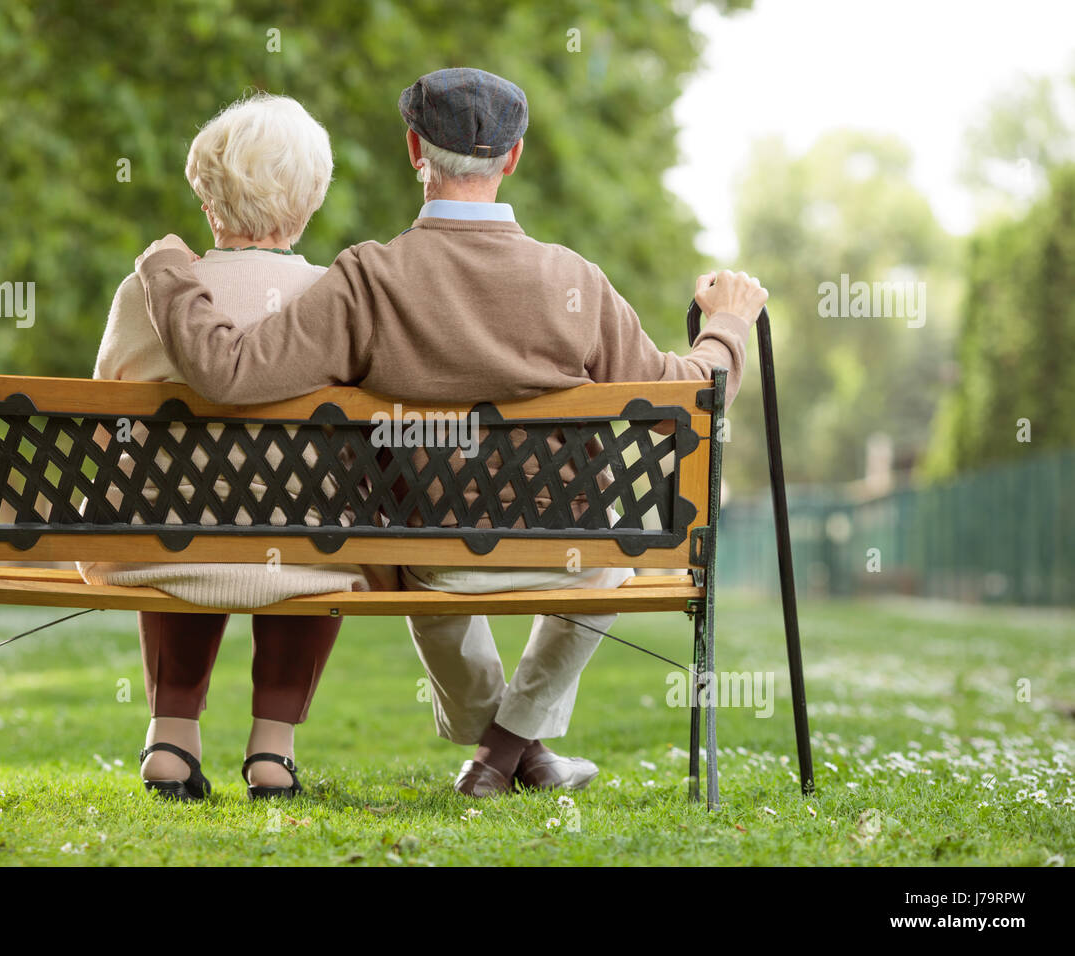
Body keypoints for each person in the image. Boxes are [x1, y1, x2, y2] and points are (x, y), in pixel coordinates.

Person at [132, 68, 768, 797]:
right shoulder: (575, 282)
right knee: (612, 554)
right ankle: (510, 749)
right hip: (568, 549)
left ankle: (503, 752)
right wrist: (728, 322)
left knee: (426, 543)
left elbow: (233, 374)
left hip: (432, 557)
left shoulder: (369, 277)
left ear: (413, 149)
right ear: (514, 157)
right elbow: (695, 396)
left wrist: (171, 272)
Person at [80, 93, 384, 802]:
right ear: (309, 201)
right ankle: (272, 750)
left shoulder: (145, 292)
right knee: (308, 514)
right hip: (305, 557)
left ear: (208, 197)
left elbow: (104, 411)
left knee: (175, 506)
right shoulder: (332, 295)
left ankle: (170, 738)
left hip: (164, 548)